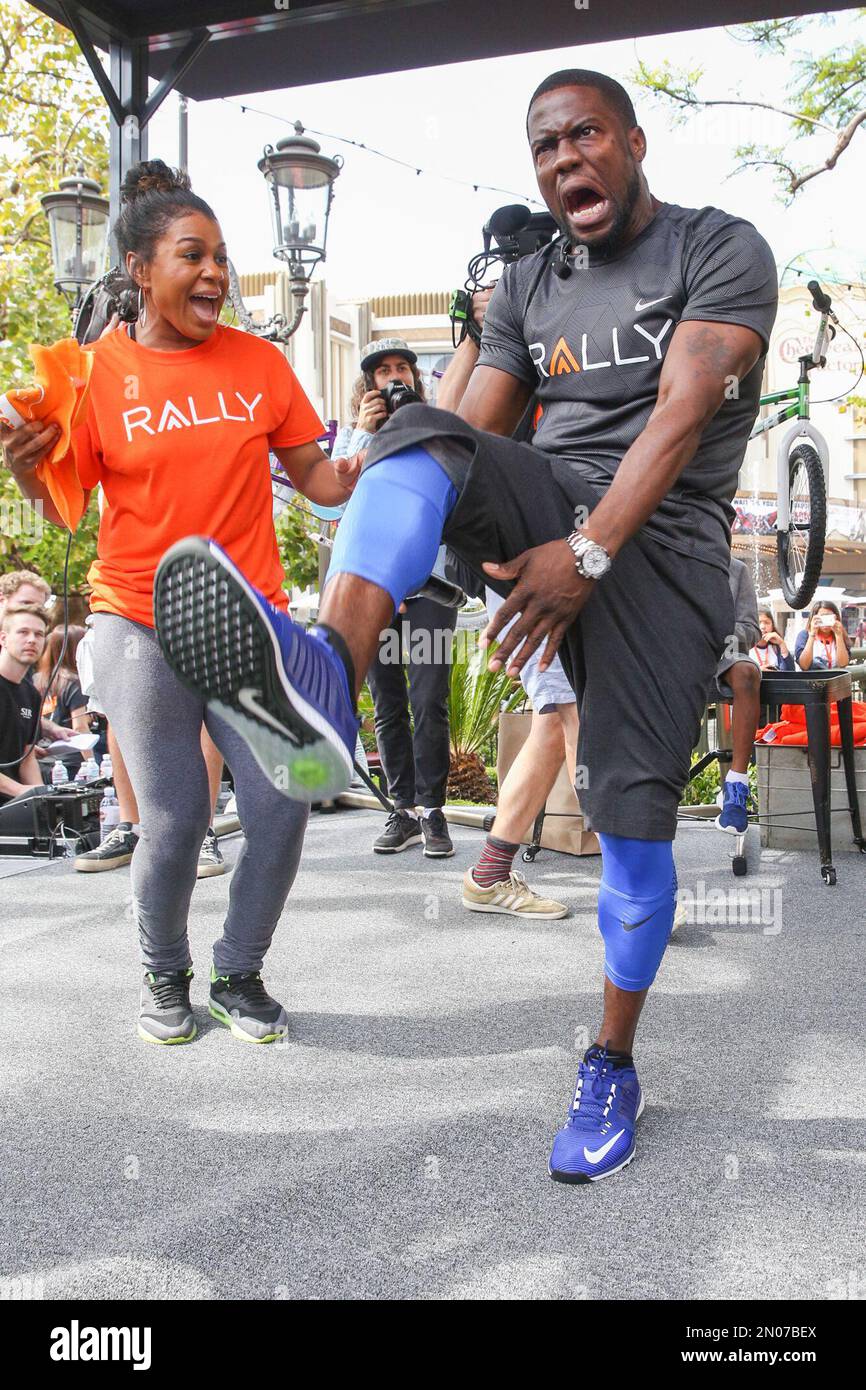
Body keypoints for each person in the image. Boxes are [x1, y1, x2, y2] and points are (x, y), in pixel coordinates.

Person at [153, 69, 778, 1183]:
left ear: (631, 142)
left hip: (663, 541)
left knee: (634, 827)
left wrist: (585, 555)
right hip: (545, 499)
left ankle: (611, 1059)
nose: (563, 160)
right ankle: (325, 683)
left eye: (584, 135)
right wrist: (374, 461)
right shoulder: (527, 284)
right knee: (423, 430)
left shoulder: (716, 248)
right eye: (543, 146)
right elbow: (460, 423)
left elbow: (683, 412)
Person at [1, 159, 360, 1046]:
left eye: (222, 259)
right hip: (138, 624)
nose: (214, 274)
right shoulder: (91, 377)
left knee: (281, 801)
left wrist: (368, 462)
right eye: (191, 257)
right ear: (139, 270)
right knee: (173, 815)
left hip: (248, 625)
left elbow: (317, 482)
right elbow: (62, 506)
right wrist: (21, 466)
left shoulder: (261, 364)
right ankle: (164, 972)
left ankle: (240, 972)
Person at [438, 289, 578, 917]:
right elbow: (449, 432)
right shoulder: (488, 345)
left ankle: (490, 874)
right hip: (522, 555)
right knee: (575, 712)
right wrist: (477, 328)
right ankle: (640, 890)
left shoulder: (560, 323)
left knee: (556, 716)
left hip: (560, 540)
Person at [334, 339, 455, 856]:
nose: (393, 377)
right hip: (374, 586)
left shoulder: (435, 424)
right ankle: (400, 808)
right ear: (368, 385)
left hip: (429, 584)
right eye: (382, 371)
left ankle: (432, 808)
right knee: (387, 702)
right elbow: (329, 500)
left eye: (401, 368)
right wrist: (364, 430)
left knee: (429, 698)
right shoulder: (353, 435)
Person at [0, 570, 76, 748]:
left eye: (39, 608)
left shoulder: (25, 654)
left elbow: (13, 707)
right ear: (2, 600)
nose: (32, 612)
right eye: (25, 603)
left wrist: (48, 729)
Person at [713, 557, 761, 834]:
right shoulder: (670, 559)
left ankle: (737, 785)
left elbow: (752, 630)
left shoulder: (737, 569)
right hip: (676, 655)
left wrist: (716, 632)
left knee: (747, 672)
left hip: (724, 655)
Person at [0, 604, 48, 804]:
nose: (31, 639)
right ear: (3, 638)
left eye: (39, 634)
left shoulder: (32, 695)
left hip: (13, 807)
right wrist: (23, 791)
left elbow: (27, 758)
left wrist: (42, 797)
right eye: (23, 632)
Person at [795, 600, 850, 670]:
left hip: (833, 679)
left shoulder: (840, 635)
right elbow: (804, 665)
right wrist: (812, 634)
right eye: (822, 617)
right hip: (811, 679)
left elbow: (843, 664)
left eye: (829, 617)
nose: (825, 621)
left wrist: (838, 636)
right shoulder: (804, 635)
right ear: (813, 617)